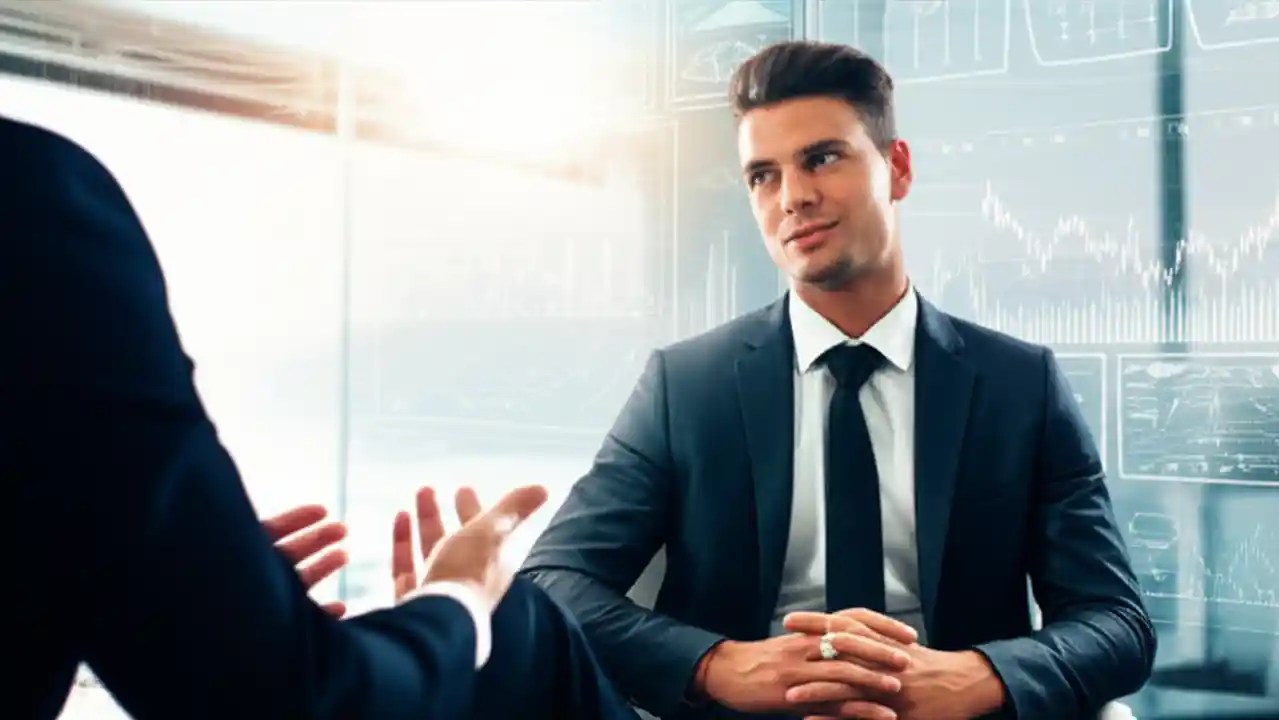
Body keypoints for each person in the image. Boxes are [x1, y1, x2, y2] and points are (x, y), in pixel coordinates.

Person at [519, 40, 1156, 720]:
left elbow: (1116, 621)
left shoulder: (1020, 385)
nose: (794, 196)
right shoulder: (685, 386)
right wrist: (718, 664)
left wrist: (980, 676)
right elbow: (550, 582)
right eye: (763, 175)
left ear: (897, 168)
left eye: (822, 158)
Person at [1, 113, 638, 720]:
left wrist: (190, 586)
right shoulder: (31, 201)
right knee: (523, 626)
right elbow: (291, 699)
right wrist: (460, 594)